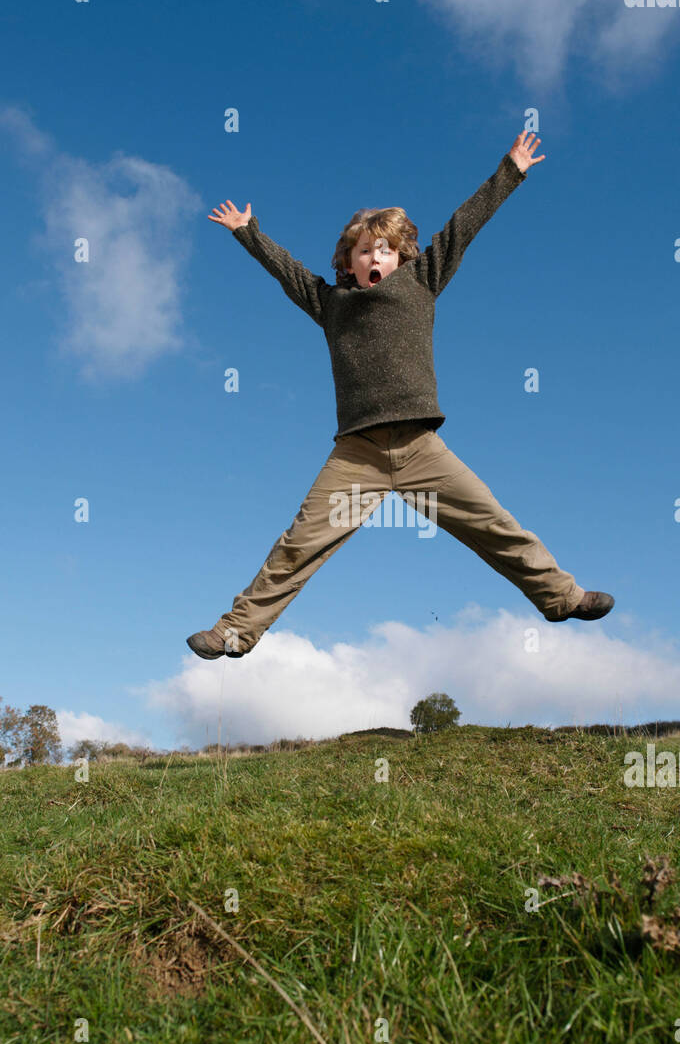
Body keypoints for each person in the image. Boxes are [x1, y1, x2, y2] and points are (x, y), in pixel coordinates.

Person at [187, 131, 614, 660]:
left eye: (385, 250)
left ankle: (562, 596)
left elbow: (463, 227)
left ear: (400, 258)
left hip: (420, 449)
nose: (375, 256)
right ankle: (235, 631)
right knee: (299, 544)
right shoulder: (331, 302)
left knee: (495, 523)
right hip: (357, 456)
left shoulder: (421, 282)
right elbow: (289, 272)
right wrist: (249, 232)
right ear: (349, 261)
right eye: (365, 249)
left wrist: (510, 171)